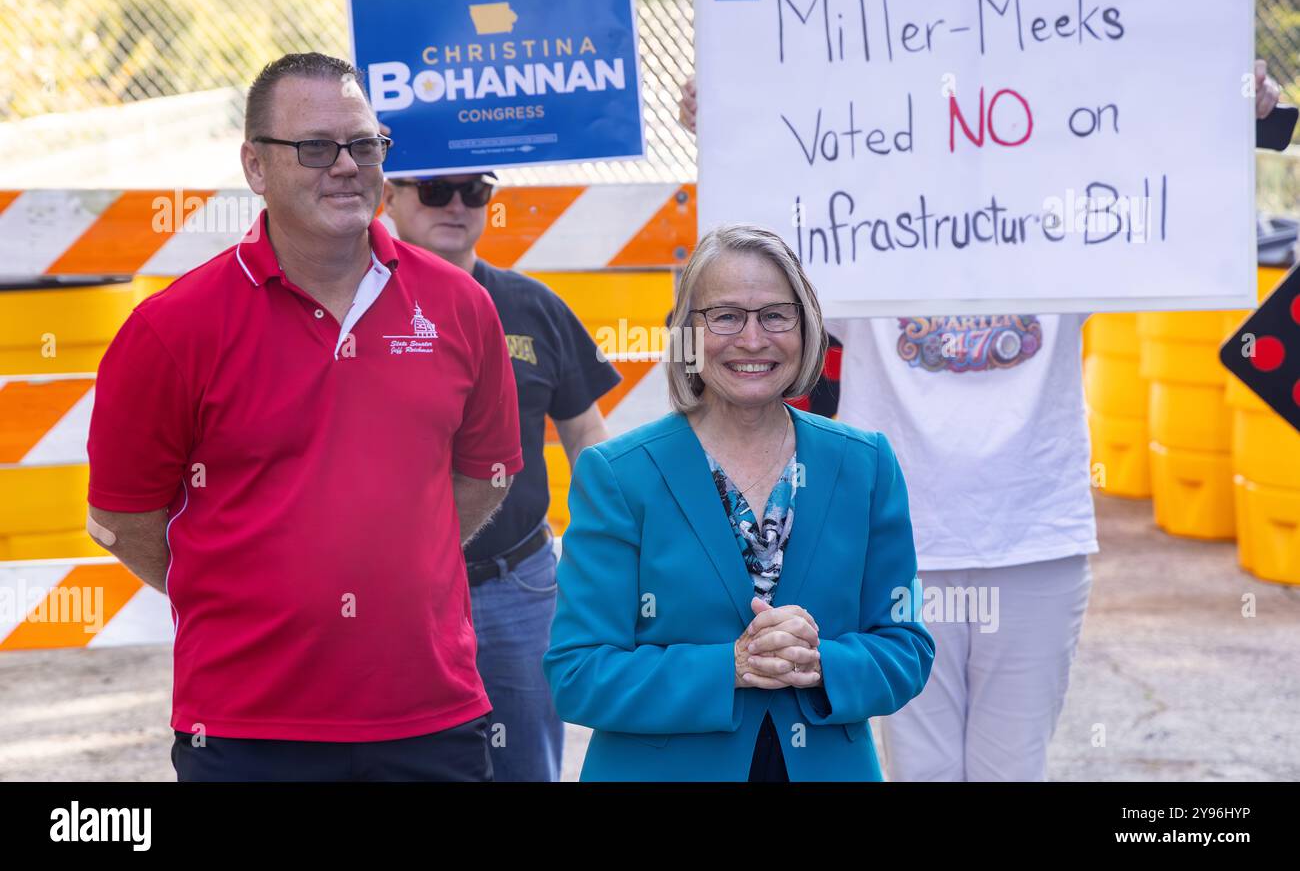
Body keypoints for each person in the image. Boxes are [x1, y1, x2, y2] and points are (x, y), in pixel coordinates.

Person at [676, 61, 1289, 781]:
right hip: (897, 546)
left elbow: (1175, 216)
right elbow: (765, 229)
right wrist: (722, 128)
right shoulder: (858, 240)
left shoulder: (1068, 237)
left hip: (1037, 543)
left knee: (1009, 770)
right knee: (924, 771)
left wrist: (1242, 120)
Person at [85, 52, 523, 781]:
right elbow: (124, 521)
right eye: (315, 147)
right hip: (245, 729)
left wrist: (392, 560)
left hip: (431, 720)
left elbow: (486, 477)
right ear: (255, 166)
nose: (347, 166)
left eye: (365, 144)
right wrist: (249, 591)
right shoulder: (172, 328)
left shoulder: (460, 306)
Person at [544, 223, 934, 781]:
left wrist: (822, 663)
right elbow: (577, 674)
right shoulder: (619, 475)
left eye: (776, 315)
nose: (753, 340)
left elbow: (906, 649)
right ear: (687, 334)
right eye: (725, 316)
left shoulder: (866, 464)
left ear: (806, 328)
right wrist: (729, 667)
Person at [382, 171, 621, 782]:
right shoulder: (357, 307)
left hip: (518, 583)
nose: (457, 204)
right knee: (408, 764)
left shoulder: (531, 305)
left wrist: (604, 550)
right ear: (389, 195)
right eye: (435, 190)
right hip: (394, 595)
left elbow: (587, 437)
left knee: (527, 767)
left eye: (475, 191)